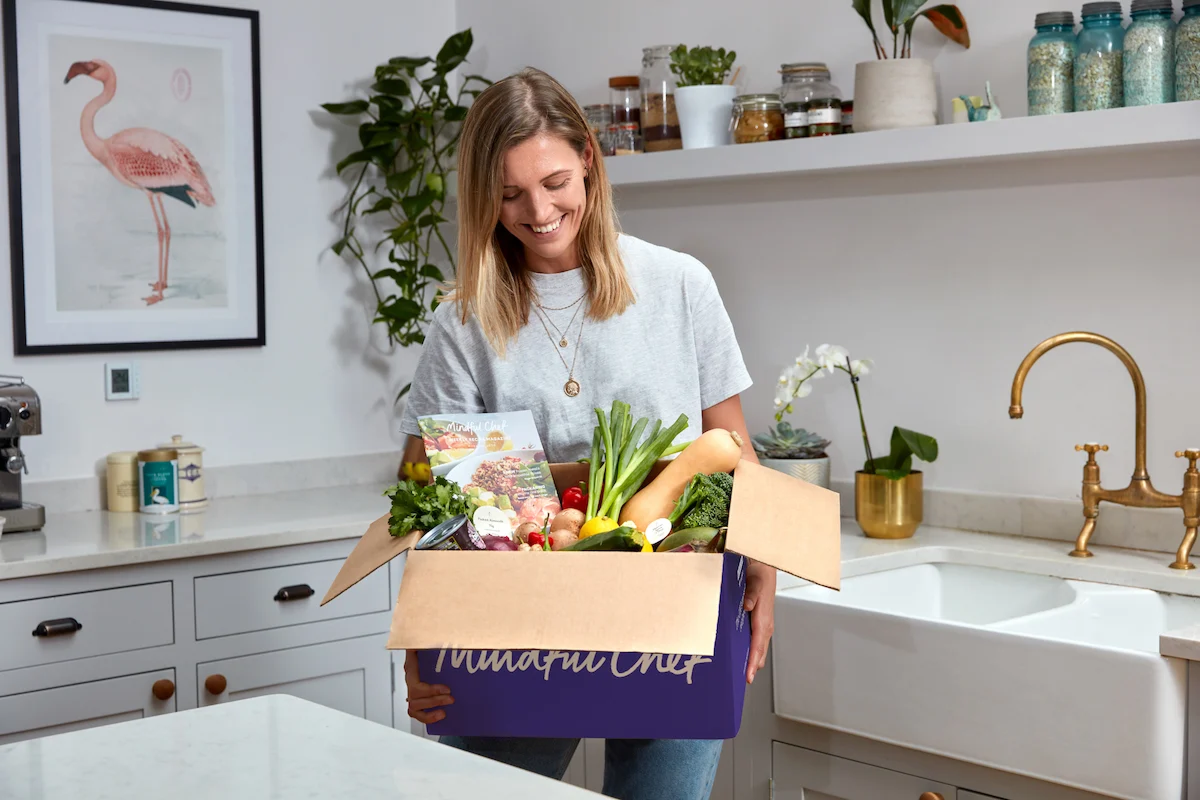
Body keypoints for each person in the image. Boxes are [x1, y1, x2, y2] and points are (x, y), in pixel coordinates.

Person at [396, 67, 776, 800]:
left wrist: (764, 564)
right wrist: (421, 634)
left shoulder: (678, 287)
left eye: (555, 182)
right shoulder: (466, 322)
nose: (537, 211)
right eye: (508, 194)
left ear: (591, 165)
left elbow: (731, 446)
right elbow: (430, 502)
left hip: (677, 611)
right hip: (517, 626)